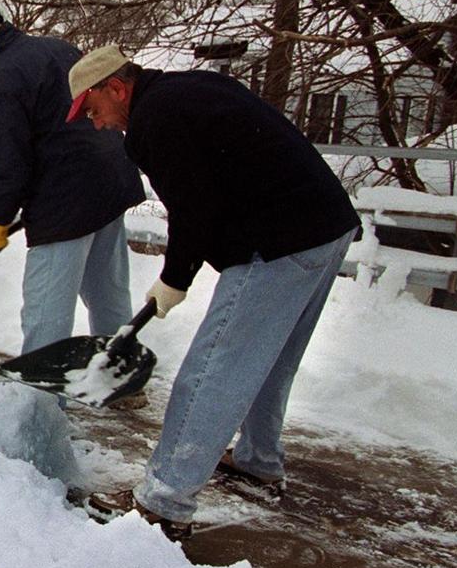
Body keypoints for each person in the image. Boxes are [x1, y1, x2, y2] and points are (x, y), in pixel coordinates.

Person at [67, 46, 361, 538]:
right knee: (270, 357)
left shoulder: (155, 119)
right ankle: (257, 460)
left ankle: (163, 502)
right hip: (326, 226)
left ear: (116, 88)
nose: (97, 124)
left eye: (93, 111)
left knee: (212, 370)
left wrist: (175, 278)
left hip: (281, 240)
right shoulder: (187, 87)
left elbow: (193, 207)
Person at [0, 0, 146, 355]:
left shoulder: (2, 80)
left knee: (46, 314)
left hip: (63, 204)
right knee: (108, 296)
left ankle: (40, 389)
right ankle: (119, 370)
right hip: (110, 184)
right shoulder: (58, 48)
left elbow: (9, 167)